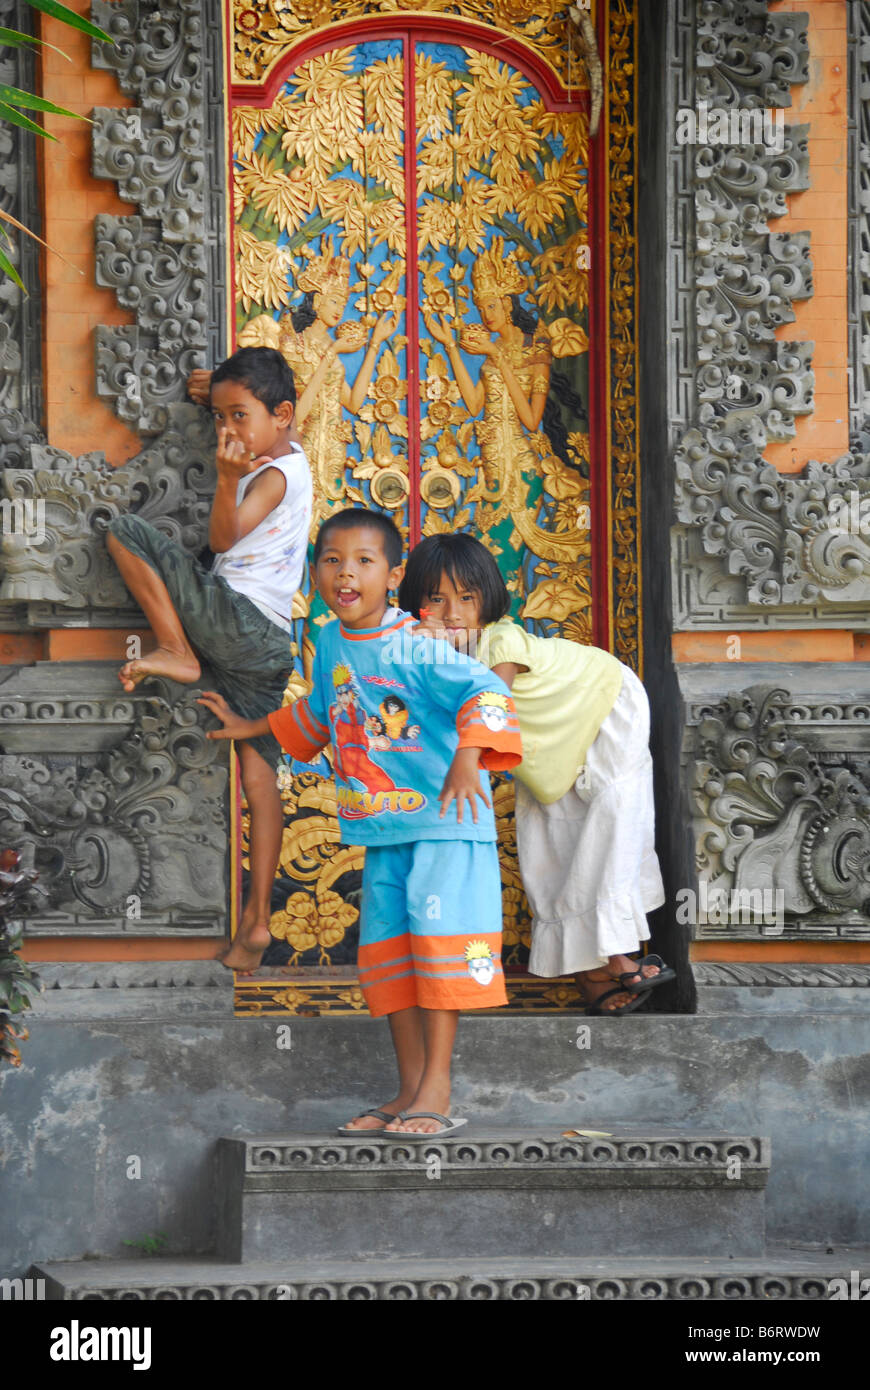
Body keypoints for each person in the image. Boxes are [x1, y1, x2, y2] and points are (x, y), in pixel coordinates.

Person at [198, 508, 523, 1137]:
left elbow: (488, 693)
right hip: (383, 832)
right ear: (315, 571)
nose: (346, 573)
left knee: (439, 954)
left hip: (445, 827)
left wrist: (466, 759)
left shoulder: (419, 644)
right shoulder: (332, 643)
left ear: (393, 575)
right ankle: (405, 1092)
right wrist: (252, 727)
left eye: (364, 562)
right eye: (332, 560)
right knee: (393, 964)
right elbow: (323, 715)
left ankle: (437, 1092)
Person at [400, 532, 673, 1016]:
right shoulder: (431, 655)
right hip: (549, 747)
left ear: (487, 599)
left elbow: (492, 699)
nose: (452, 613)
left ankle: (617, 954)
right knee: (550, 840)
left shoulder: (498, 638)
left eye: (466, 597)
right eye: (435, 599)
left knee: (612, 816)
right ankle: (590, 976)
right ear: (415, 604)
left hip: (605, 703)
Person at [105, 346, 312, 974]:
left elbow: (223, 539)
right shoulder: (289, 450)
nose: (226, 432)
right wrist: (215, 393)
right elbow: (272, 413)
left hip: (233, 620)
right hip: (271, 642)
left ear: (280, 414)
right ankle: (255, 927)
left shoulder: (273, 475)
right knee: (259, 777)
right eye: (220, 418)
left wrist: (227, 479)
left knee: (125, 532)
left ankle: (173, 646)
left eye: (237, 417)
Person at [188, 238, 397, 520]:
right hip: (301, 445)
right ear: (318, 299)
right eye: (335, 301)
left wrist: (374, 344)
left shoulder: (330, 352)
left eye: (344, 302)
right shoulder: (290, 346)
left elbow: (354, 403)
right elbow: (295, 414)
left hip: (332, 445)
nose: (339, 309)